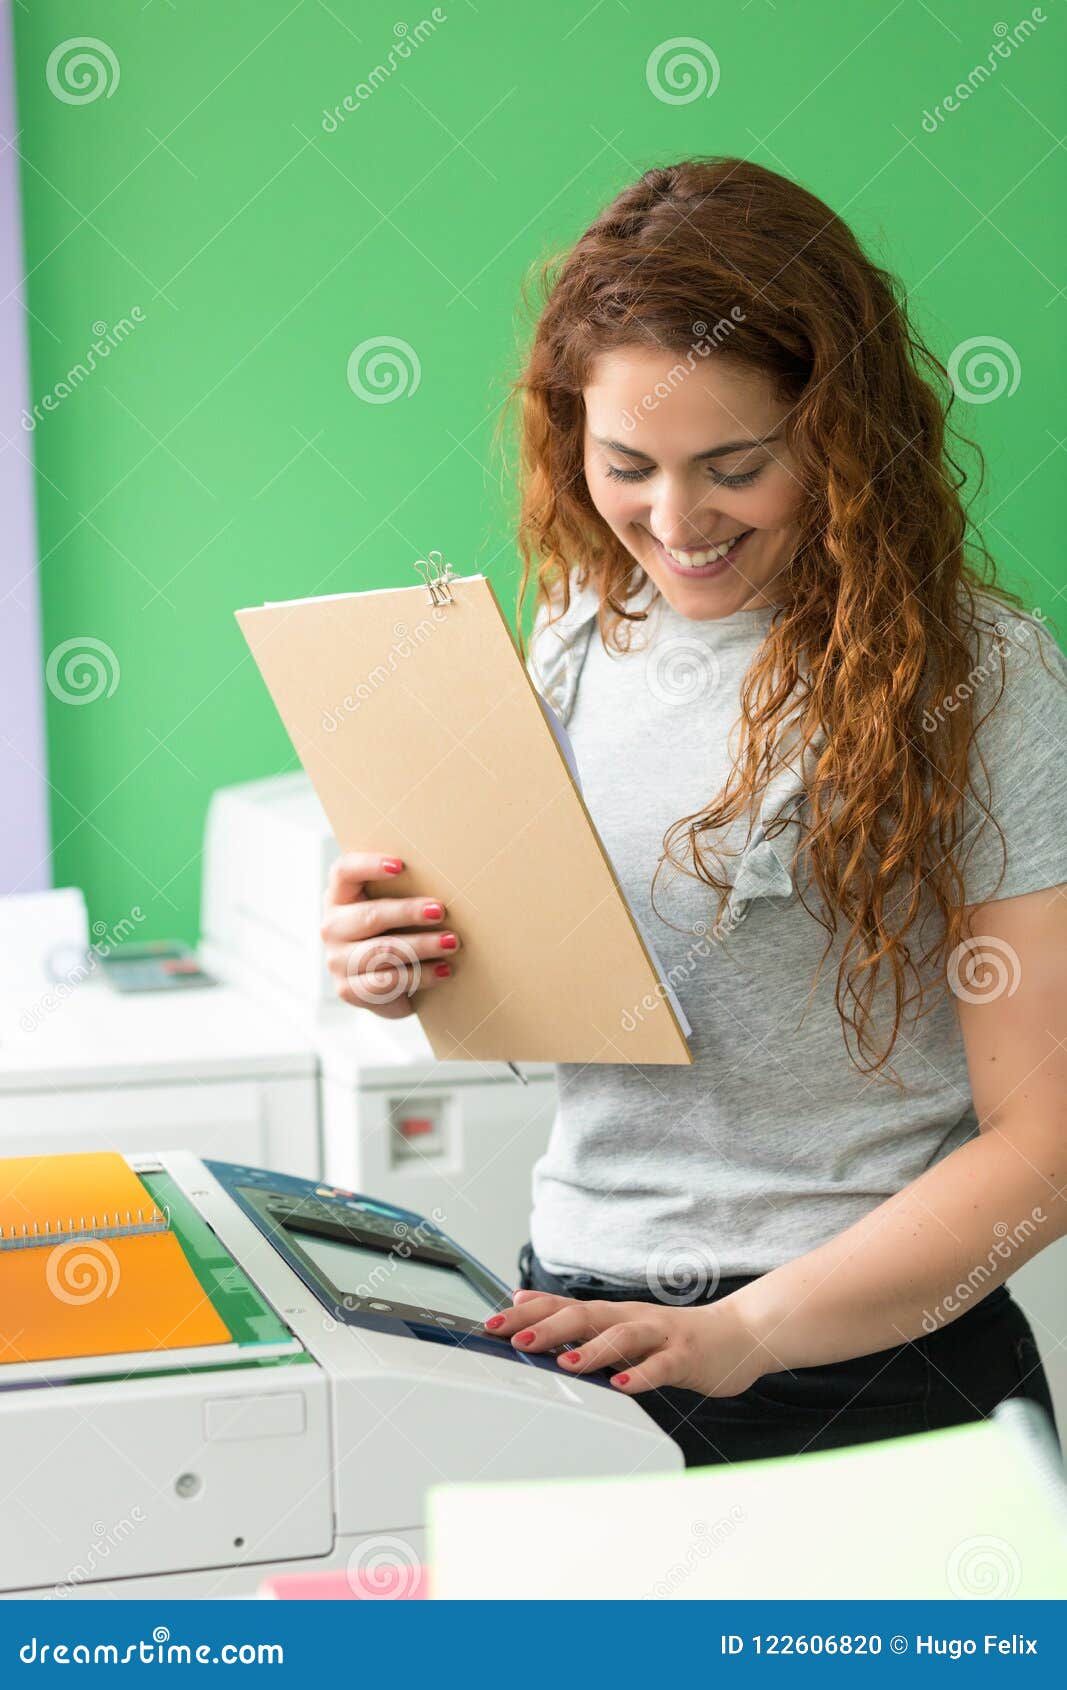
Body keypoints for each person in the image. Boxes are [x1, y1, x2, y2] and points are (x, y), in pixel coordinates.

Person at [320, 158, 1066, 1466]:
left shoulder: (981, 674)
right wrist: (406, 959)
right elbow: (572, 993)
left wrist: (755, 1332)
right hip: (582, 1330)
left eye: (735, 466)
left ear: (837, 433)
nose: (675, 521)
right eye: (627, 466)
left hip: (875, 1382)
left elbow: (1047, 1141)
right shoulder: (571, 632)